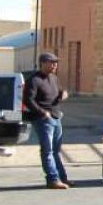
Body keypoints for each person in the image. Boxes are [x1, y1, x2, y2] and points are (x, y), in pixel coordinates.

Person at [25, 52, 70, 190]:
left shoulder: (54, 78)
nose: (54, 65)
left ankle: (62, 178)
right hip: (43, 119)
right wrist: (42, 112)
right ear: (43, 63)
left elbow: (59, 92)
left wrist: (64, 94)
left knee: (56, 150)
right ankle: (52, 179)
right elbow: (28, 100)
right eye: (51, 62)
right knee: (47, 150)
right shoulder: (34, 79)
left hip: (56, 116)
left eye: (56, 63)